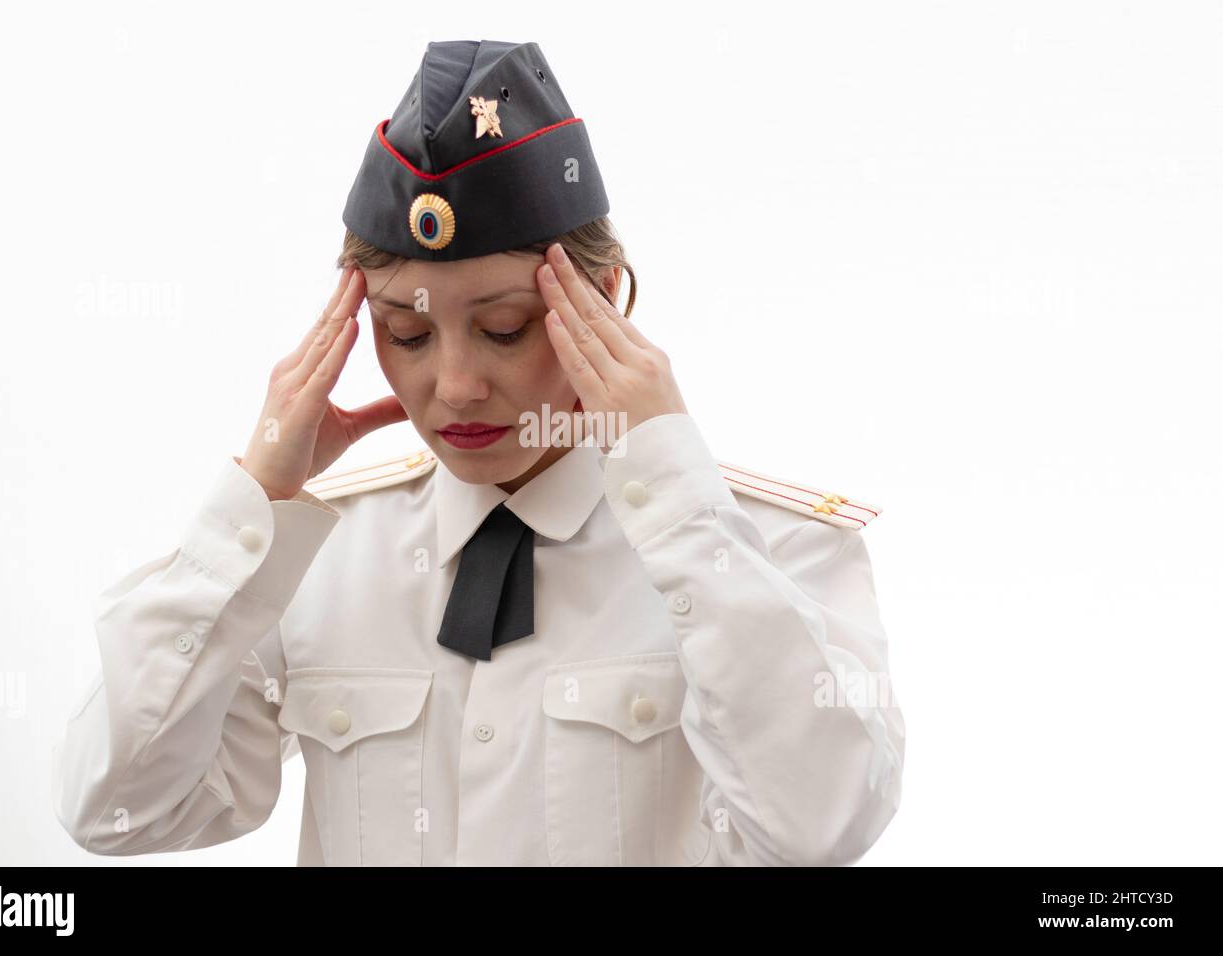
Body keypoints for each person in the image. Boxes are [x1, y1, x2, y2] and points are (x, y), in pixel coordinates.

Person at [52, 38, 905, 866]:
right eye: (406, 332)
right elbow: (116, 810)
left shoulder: (770, 550)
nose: (455, 385)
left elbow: (820, 822)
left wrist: (678, 496)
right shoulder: (316, 557)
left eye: (503, 328)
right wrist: (247, 514)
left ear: (604, 301)